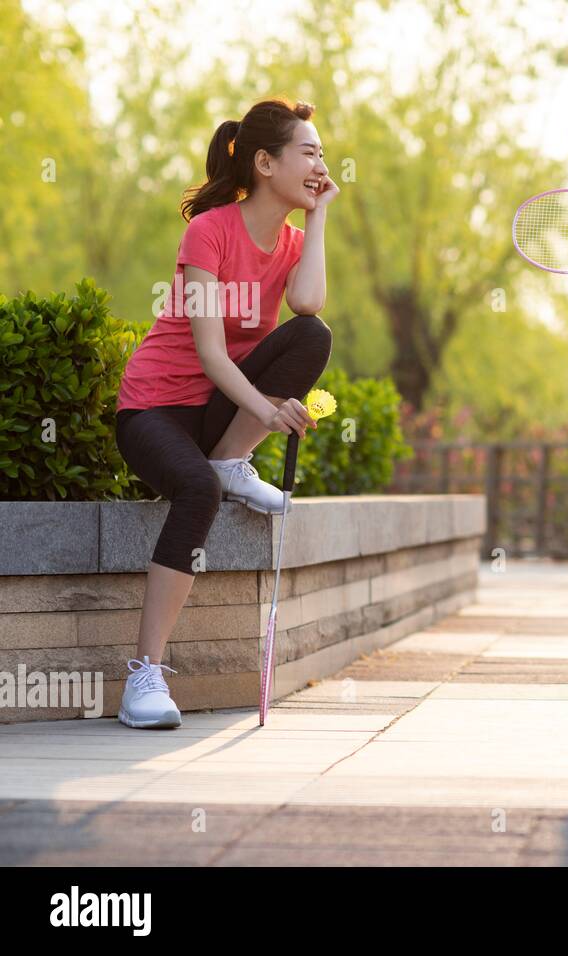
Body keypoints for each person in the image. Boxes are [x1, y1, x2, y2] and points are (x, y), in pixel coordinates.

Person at [112, 98, 338, 728]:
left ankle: (229, 460)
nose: (322, 163)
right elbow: (211, 354)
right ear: (265, 163)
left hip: (215, 413)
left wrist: (318, 219)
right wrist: (266, 412)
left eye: (322, 153)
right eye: (309, 152)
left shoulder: (291, 240)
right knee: (194, 489)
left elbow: (309, 304)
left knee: (313, 334)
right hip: (155, 409)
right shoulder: (208, 230)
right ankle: (144, 677)